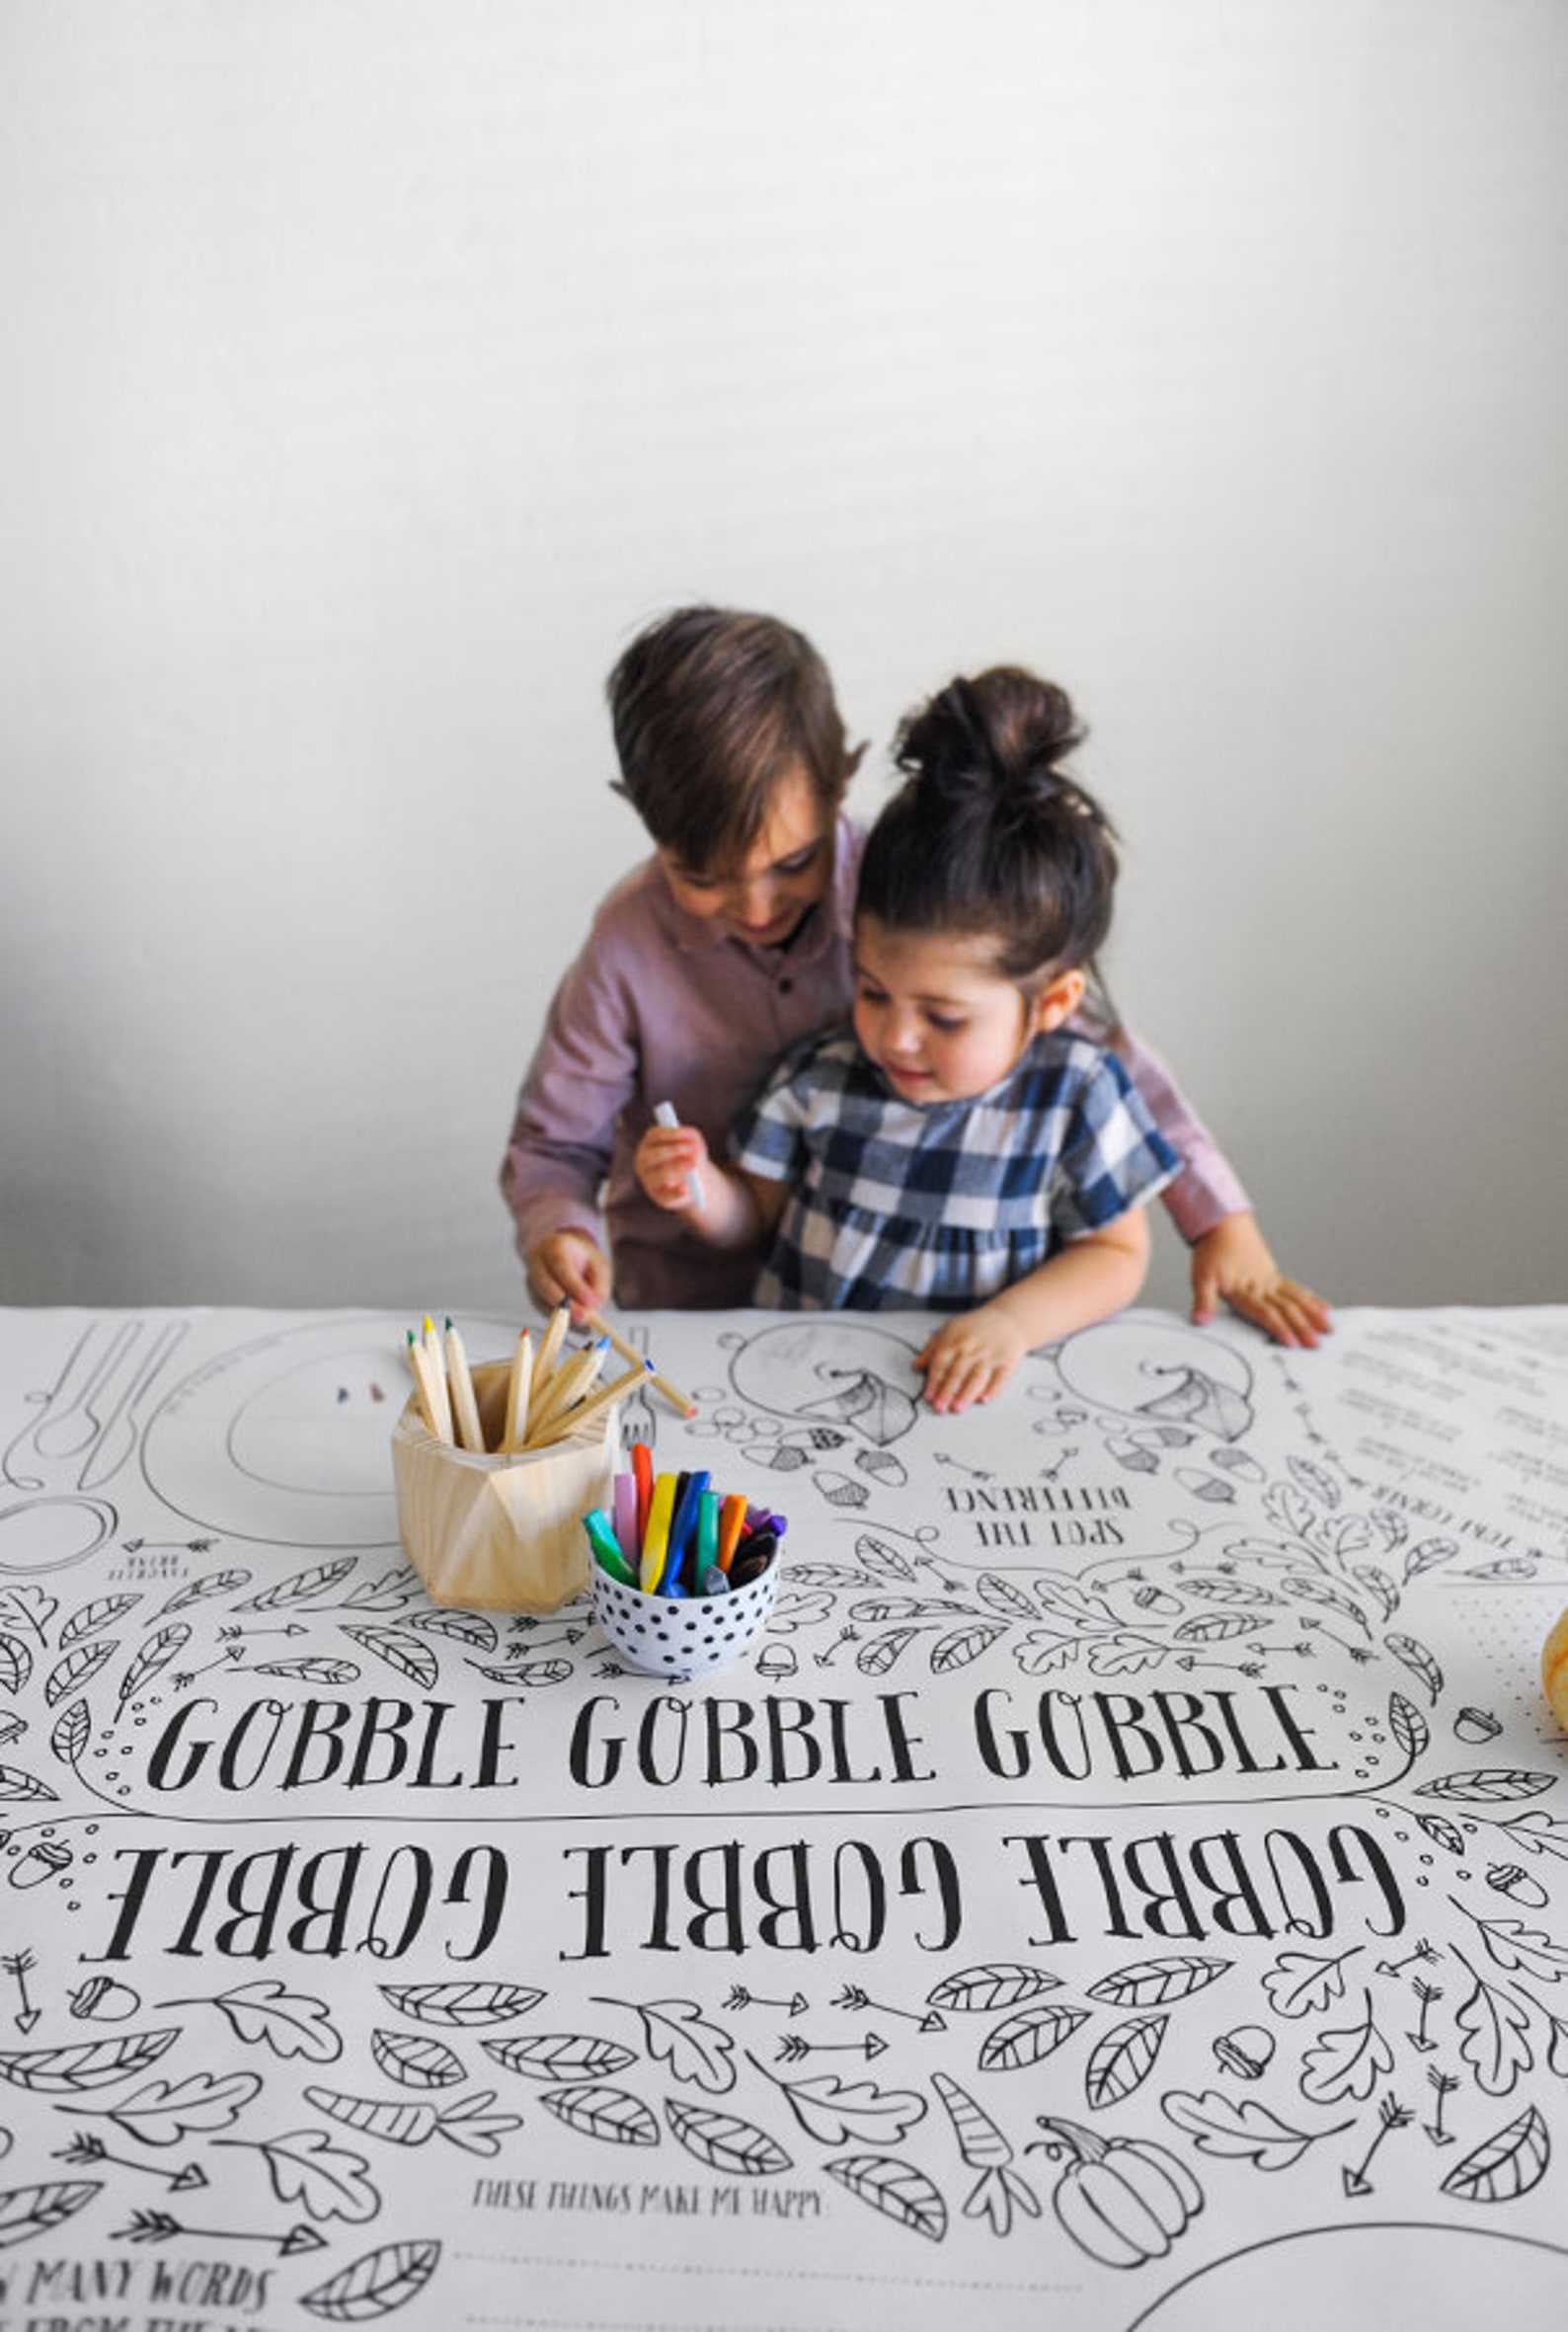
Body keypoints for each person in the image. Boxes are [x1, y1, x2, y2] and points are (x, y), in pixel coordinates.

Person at [500, 607, 1331, 1346]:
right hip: (687, 1302)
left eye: (793, 861)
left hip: (937, 1327)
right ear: (648, 826)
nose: (756, 905)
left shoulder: (902, 889)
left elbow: (1099, 1056)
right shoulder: (625, 945)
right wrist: (559, 1234)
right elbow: (554, 1144)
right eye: (705, 877)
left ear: (840, 786)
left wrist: (1218, 1217)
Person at [634, 666, 1182, 1410]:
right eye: (872, 991)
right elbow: (751, 1221)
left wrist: (1011, 1323)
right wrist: (696, 1189)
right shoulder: (821, 1077)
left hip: (963, 1419)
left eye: (944, 1016)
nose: (895, 1036)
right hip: (796, 1399)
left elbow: (1116, 1255)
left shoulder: (1076, 1095)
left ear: (1052, 1000)